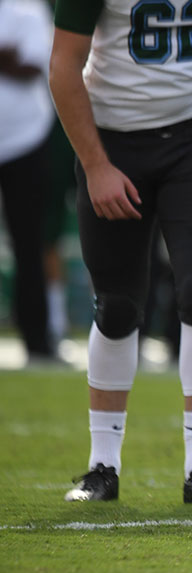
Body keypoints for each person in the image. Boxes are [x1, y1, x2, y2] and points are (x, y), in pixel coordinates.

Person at [51, 0, 192, 504]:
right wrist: (95, 165)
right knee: (119, 304)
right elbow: (64, 63)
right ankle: (101, 466)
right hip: (113, 137)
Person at [0, 0, 56, 365]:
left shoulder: (28, 7)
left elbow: (33, 66)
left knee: (29, 243)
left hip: (25, 138)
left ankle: (37, 340)